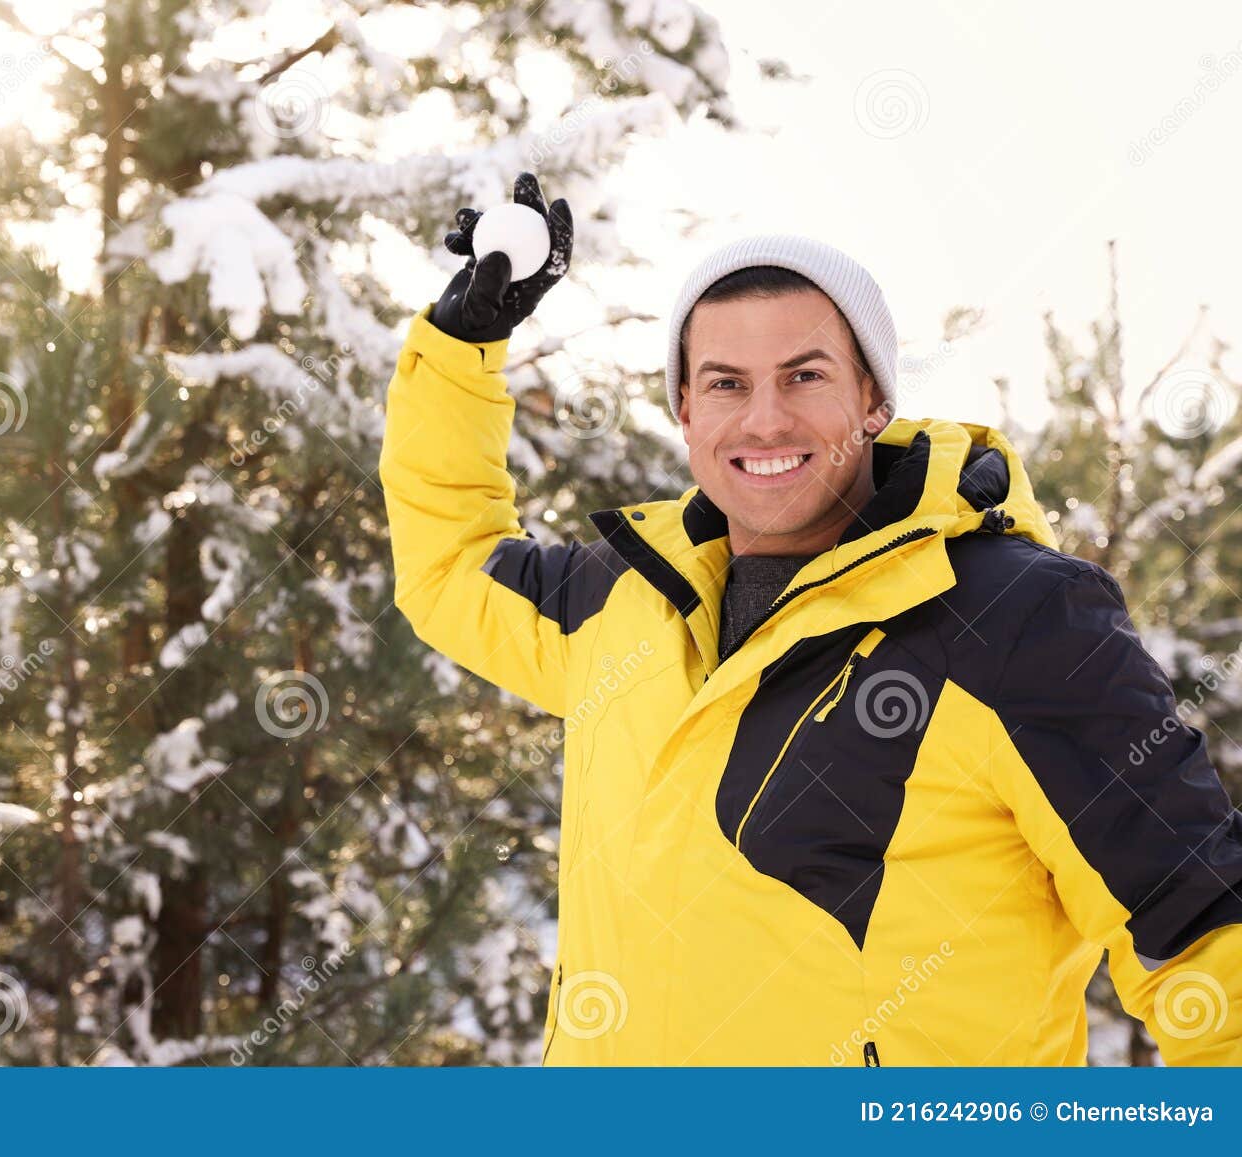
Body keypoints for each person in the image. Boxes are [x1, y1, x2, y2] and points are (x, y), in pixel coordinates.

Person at [378, 171, 1242, 1065]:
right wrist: (460, 346)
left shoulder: (1019, 619)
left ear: (874, 401)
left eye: (805, 375)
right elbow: (452, 564)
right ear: (684, 409)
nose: (765, 419)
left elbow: (1202, 929)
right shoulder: (624, 598)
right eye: (724, 382)